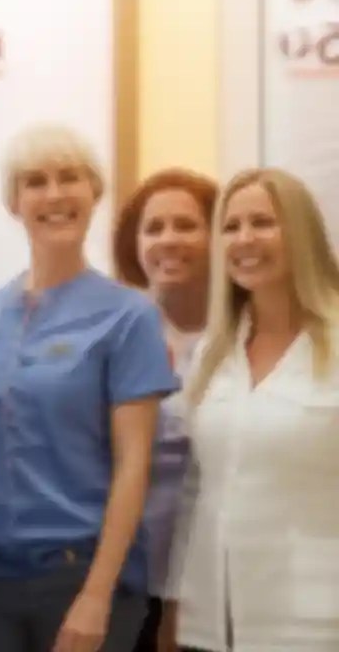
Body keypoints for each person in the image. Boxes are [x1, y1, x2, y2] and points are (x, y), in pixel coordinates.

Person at [0, 124, 177, 652]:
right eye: (35, 181)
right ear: (14, 202)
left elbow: (133, 465)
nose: (54, 195)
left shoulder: (129, 317)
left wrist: (96, 595)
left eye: (69, 177)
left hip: (80, 580)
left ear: (94, 191)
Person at [165, 168, 339, 652]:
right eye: (231, 226)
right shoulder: (212, 354)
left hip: (318, 621)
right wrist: (176, 605)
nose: (244, 239)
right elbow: (196, 489)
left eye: (262, 222)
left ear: (300, 232)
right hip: (215, 623)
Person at [111, 169, 218, 652]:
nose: (168, 240)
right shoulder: (112, 335)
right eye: (153, 229)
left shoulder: (253, 339)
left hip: (222, 585)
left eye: (186, 225)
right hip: (130, 582)